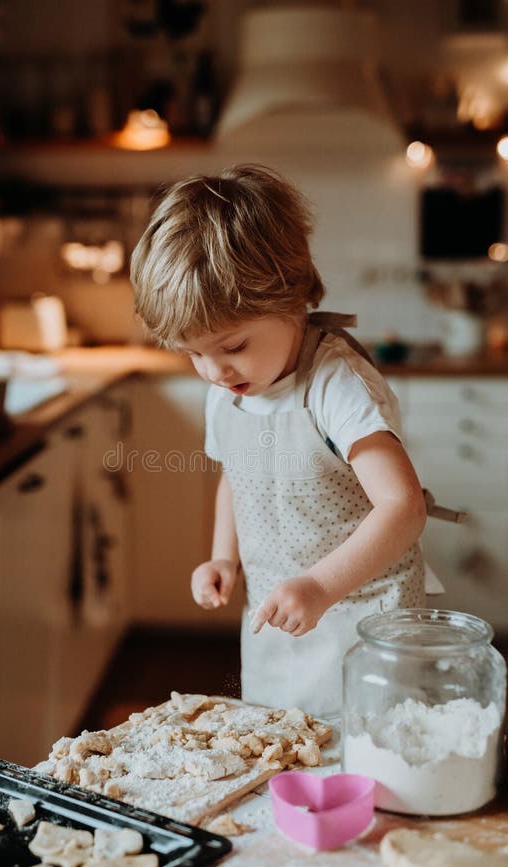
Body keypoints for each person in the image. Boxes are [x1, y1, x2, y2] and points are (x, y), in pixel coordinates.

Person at [130, 164, 426, 718]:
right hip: (280, 614)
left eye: (233, 345)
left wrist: (319, 586)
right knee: (286, 746)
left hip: (365, 614)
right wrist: (224, 557)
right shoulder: (231, 386)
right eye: (193, 354)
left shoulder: (337, 385)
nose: (214, 370)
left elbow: (403, 507)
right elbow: (234, 476)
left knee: (367, 756)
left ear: (290, 297)